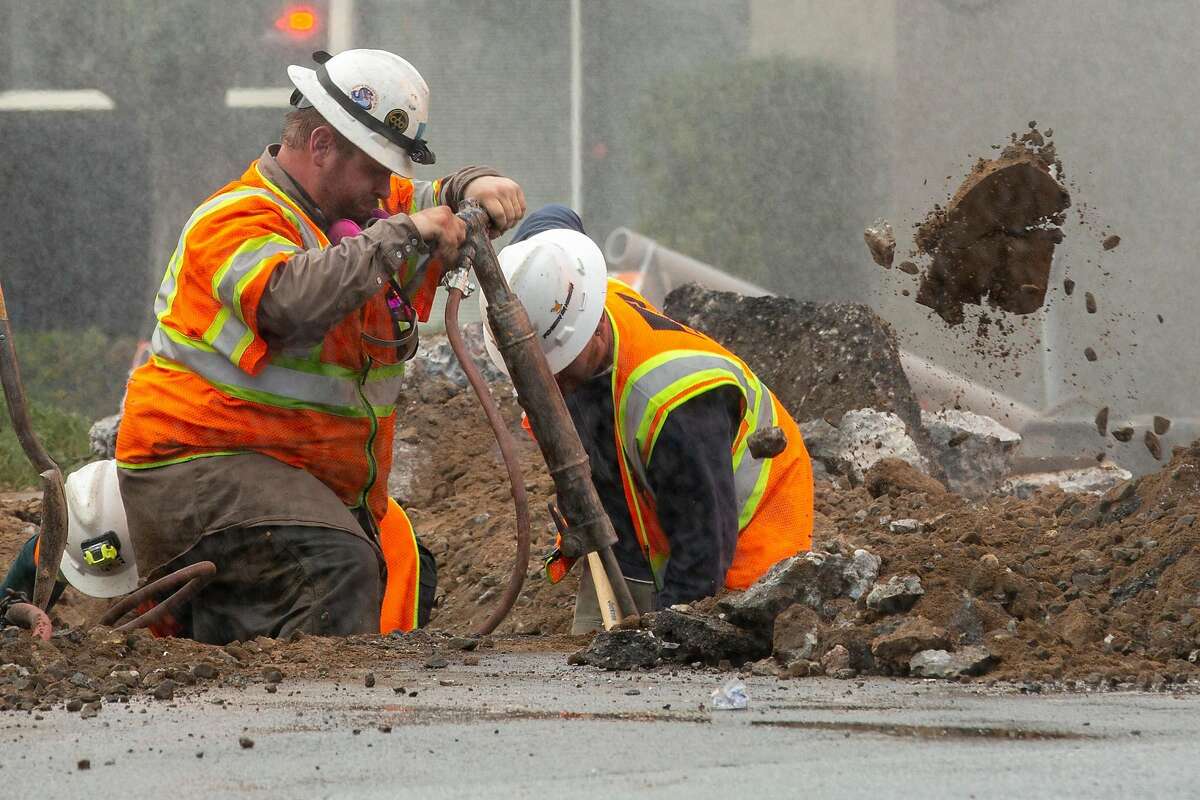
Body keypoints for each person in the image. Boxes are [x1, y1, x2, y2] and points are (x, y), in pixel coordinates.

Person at [110, 48, 525, 643]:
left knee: (404, 571)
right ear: (322, 146)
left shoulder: (359, 208)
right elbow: (287, 302)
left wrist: (470, 184)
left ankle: (237, 674)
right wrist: (405, 233)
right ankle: (310, 726)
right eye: (376, 168)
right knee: (335, 565)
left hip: (284, 473)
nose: (388, 189)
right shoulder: (233, 220)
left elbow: (428, 199)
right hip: (193, 466)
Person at [481, 206, 813, 634]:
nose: (552, 385)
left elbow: (702, 554)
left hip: (749, 543)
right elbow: (554, 219)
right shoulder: (568, 291)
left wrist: (662, 635)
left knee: (693, 656)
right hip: (648, 512)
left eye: (558, 369)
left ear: (593, 329)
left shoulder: (674, 405)